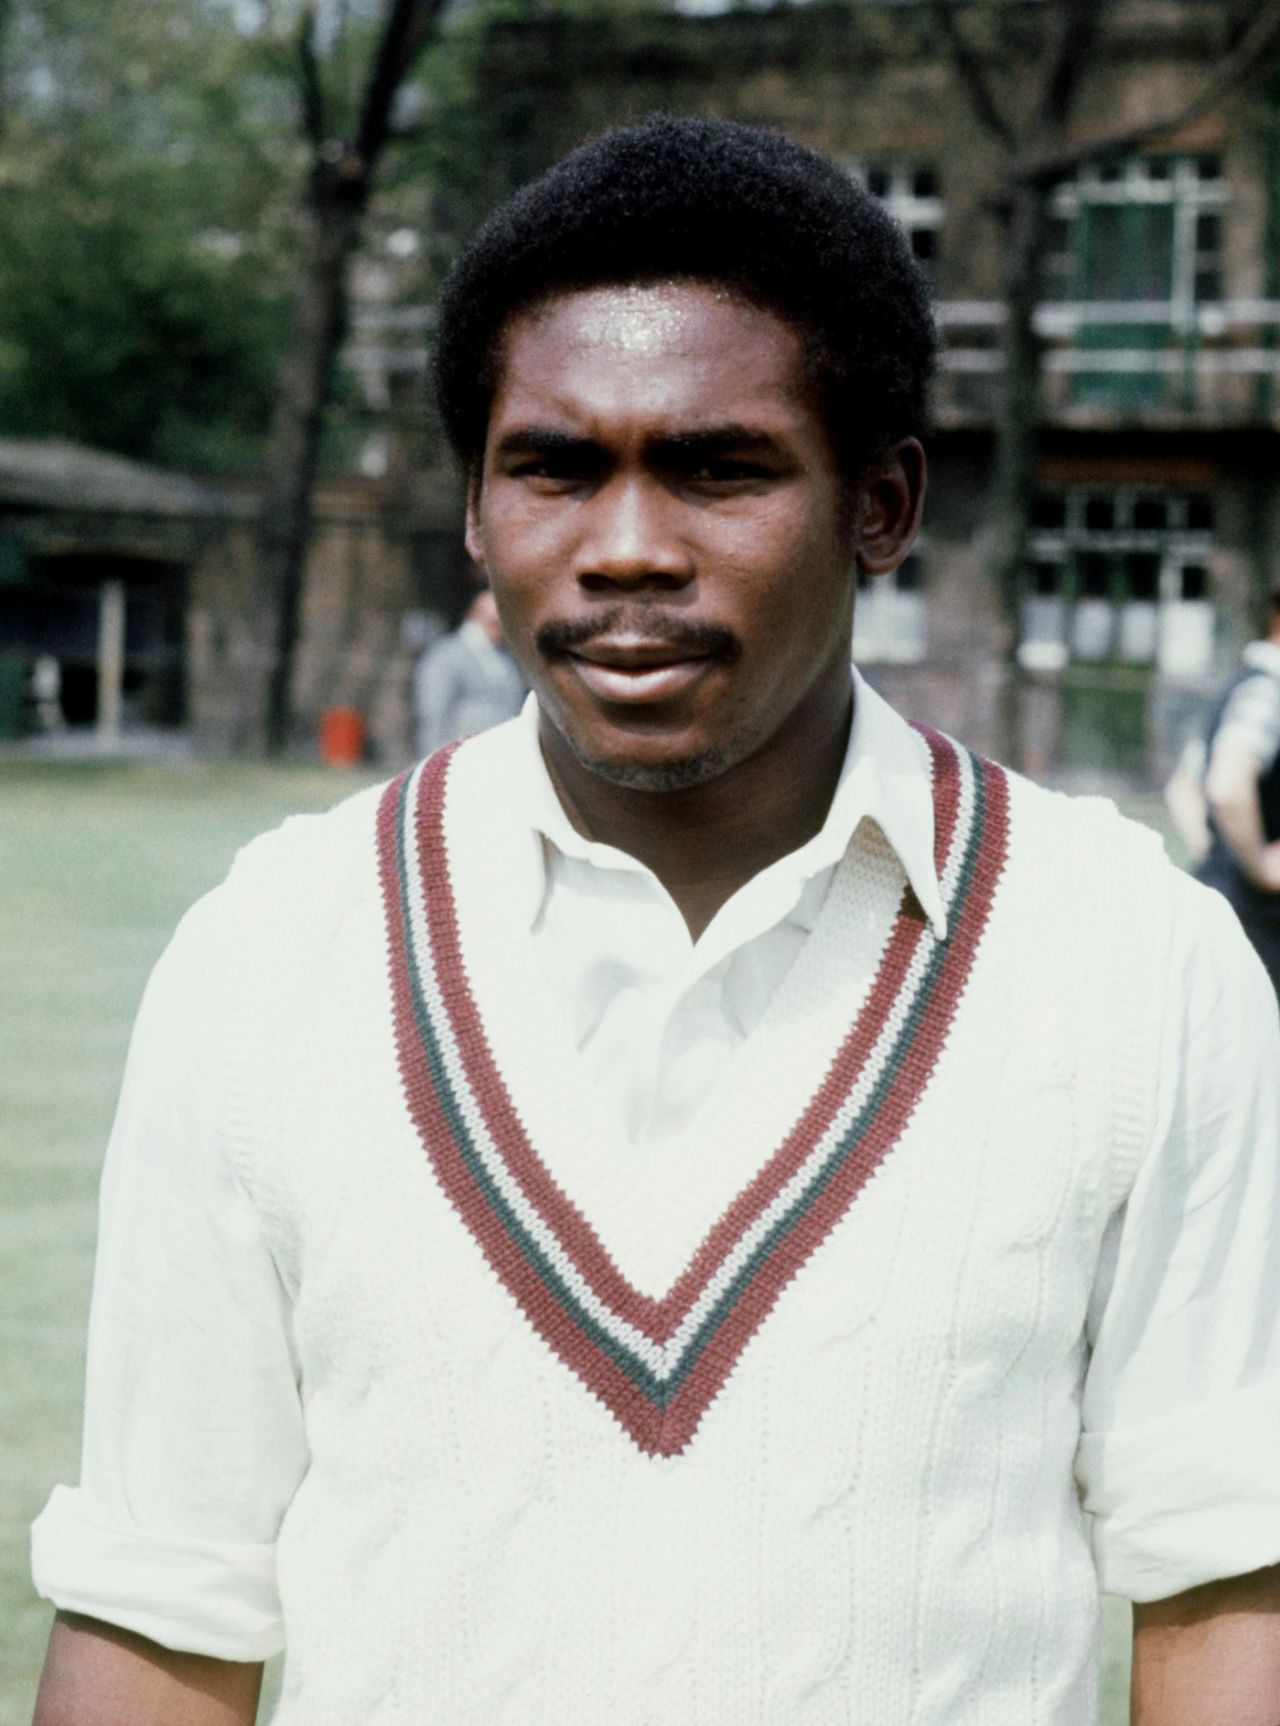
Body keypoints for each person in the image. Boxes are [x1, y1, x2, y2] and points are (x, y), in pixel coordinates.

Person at [30, 117, 1280, 1726]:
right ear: (477, 513)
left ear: (882, 505)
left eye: (719, 467)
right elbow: (159, 1599)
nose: (625, 549)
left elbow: (1226, 1583)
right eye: (552, 467)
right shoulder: (273, 949)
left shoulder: (1135, 960)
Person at [1191, 590, 1280, 996]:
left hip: (1226, 902)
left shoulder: (1243, 685)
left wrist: (1216, 853)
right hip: (1257, 918)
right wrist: (1257, 863)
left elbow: (1184, 785)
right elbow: (1226, 786)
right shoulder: (1268, 692)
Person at [412, 586, 525, 755]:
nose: (499, 629)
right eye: (493, 622)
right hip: (460, 754)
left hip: (503, 752)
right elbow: (433, 712)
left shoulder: (506, 657)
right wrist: (434, 759)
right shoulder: (445, 654)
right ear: (474, 616)